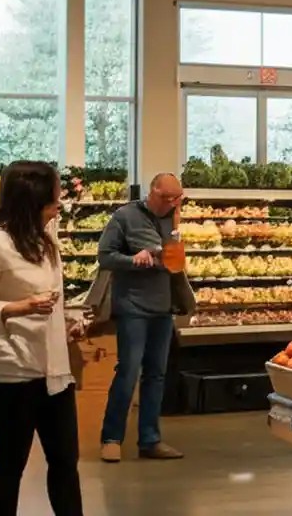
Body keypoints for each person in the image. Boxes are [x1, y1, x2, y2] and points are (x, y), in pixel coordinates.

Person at [0, 161, 84, 516]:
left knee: (65, 462)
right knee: (11, 463)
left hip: (55, 373)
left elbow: (52, 302)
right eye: (53, 198)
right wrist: (18, 307)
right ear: (31, 201)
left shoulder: (48, 241)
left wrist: (69, 322)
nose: (58, 205)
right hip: (10, 372)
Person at [97, 173, 185, 462]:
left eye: (176, 199)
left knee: (156, 374)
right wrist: (132, 260)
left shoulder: (174, 219)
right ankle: (111, 438)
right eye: (165, 198)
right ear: (152, 191)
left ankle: (150, 439)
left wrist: (177, 221)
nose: (170, 204)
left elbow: (175, 259)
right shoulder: (124, 216)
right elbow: (105, 256)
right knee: (128, 371)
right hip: (132, 306)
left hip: (163, 307)